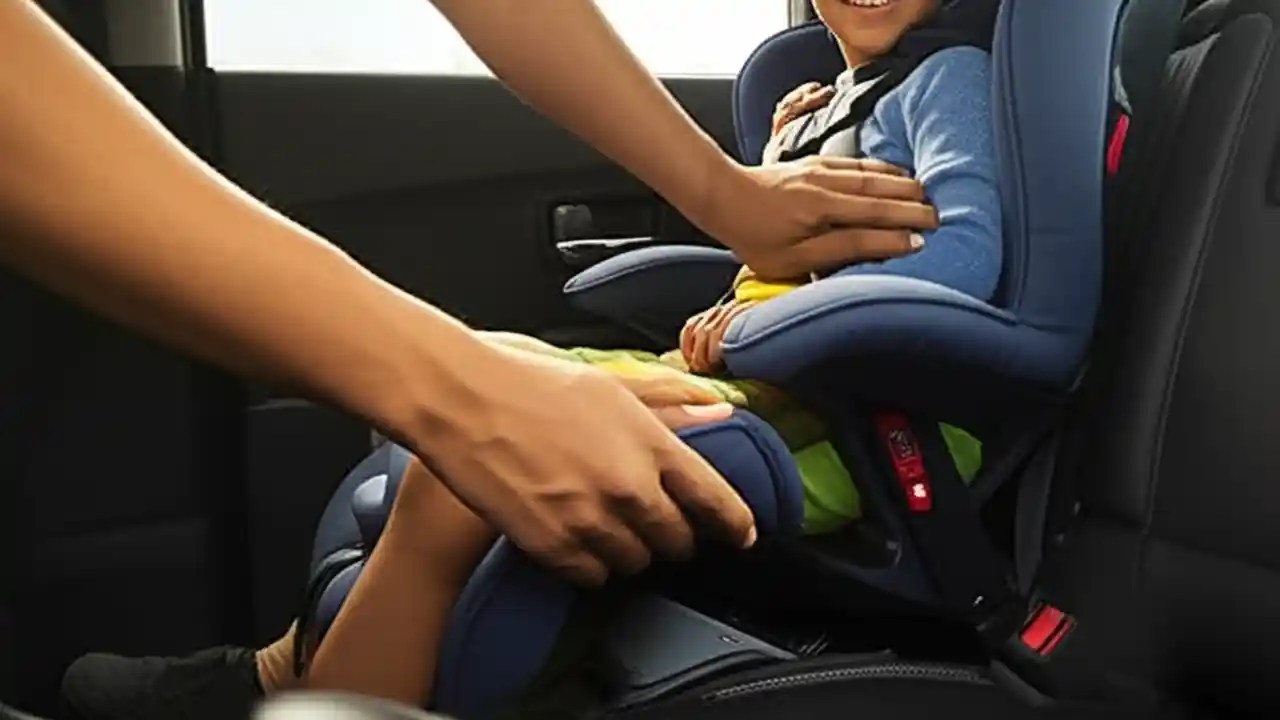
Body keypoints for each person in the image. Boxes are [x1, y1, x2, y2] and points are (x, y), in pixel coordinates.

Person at [59, 1, 1003, 716]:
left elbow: (959, 261)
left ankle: (330, 687)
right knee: (484, 359)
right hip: (768, 379)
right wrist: (738, 280)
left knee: (452, 473)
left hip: (860, 418)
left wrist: (762, 328)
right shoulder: (817, 104)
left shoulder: (950, 83)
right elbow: (776, 262)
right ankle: (285, 667)